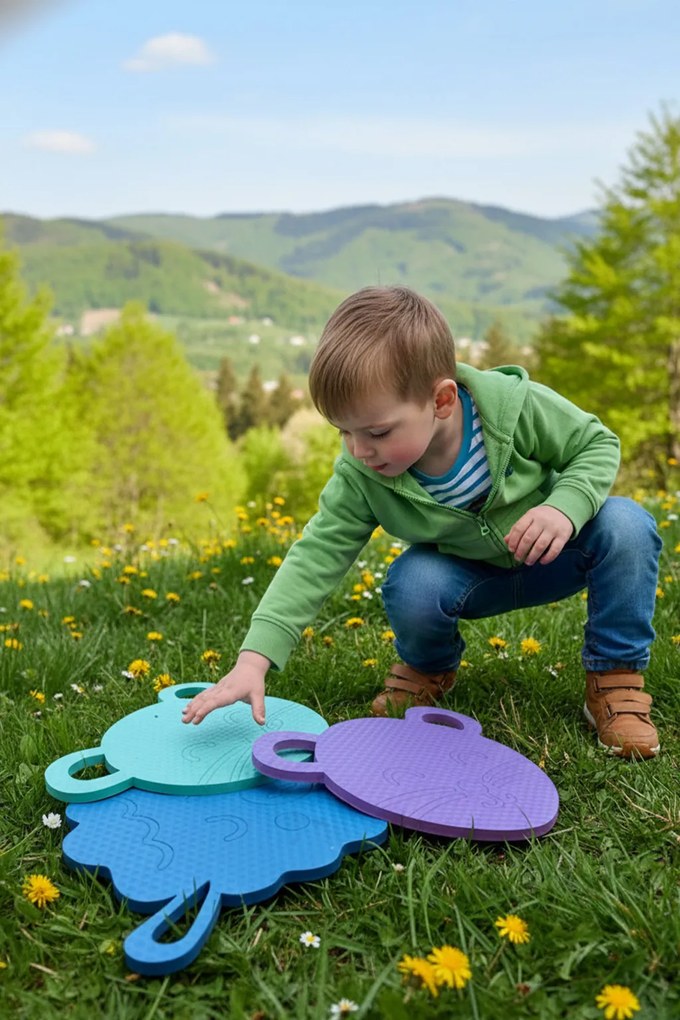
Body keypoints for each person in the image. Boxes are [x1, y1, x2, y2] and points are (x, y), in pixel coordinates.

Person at [182, 286, 662, 759]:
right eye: (343, 431)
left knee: (627, 525)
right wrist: (254, 659)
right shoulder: (361, 473)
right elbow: (317, 554)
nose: (358, 450)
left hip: (556, 552)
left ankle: (614, 677)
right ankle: (430, 668)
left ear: (442, 401)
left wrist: (564, 506)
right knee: (411, 580)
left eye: (377, 432)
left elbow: (597, 444)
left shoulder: (513, 409)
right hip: (468, 579)